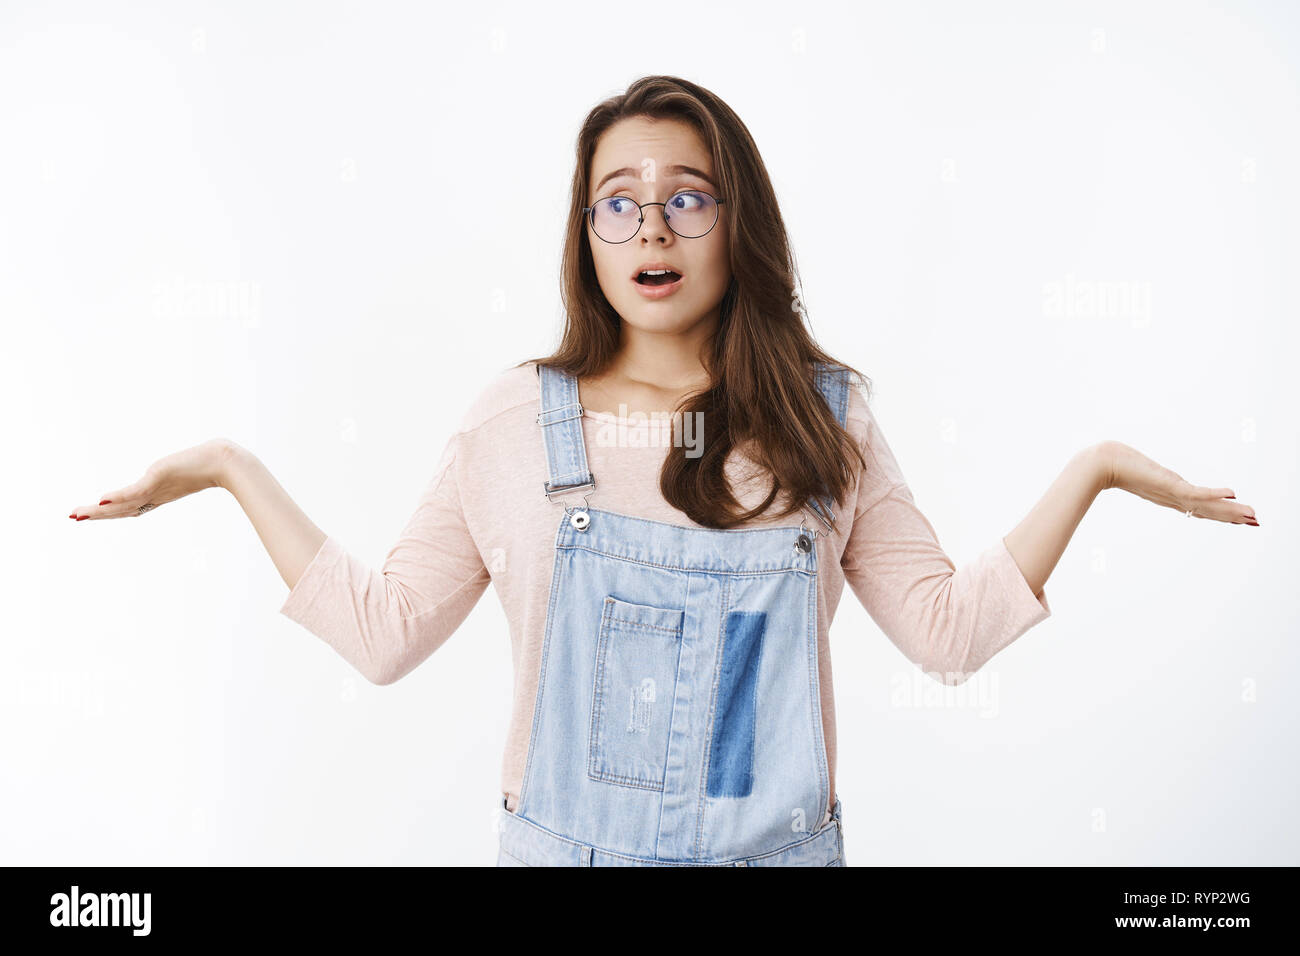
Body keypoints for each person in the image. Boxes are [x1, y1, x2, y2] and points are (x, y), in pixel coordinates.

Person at [67, 76, 1258, 867]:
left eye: (686, 198)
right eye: (616, 204)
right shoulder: (513, 424)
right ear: (583, 235)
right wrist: (231, 467)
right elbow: (384, 635)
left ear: (737, 222)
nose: (651, 230)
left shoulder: (824, 420)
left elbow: (948, 634)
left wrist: (1093, 468)